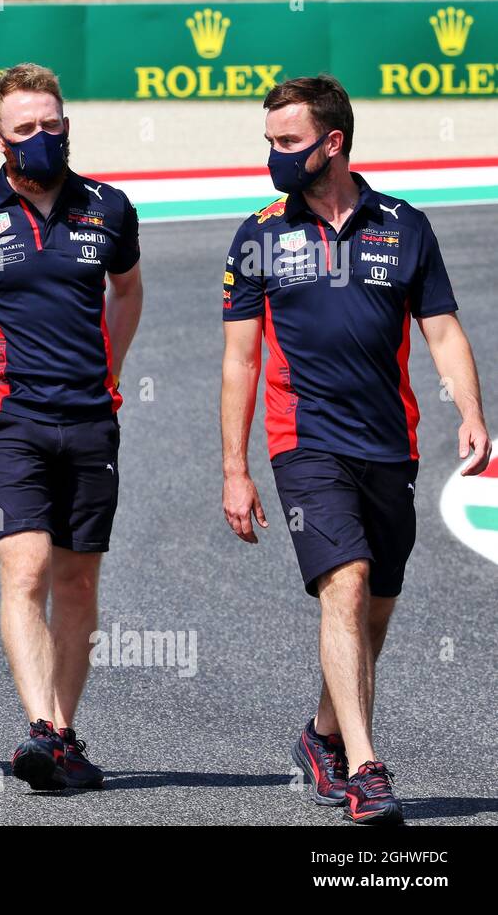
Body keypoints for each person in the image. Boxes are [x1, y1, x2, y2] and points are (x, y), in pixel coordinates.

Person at [220, 74, 490, 825]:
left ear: (331, 143)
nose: (274, 155)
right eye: (270, 141)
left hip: (388, 445)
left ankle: (323, 734)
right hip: (303, 442)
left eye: (288, 142)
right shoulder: (259, 235)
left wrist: (470, 412)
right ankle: (365, 769)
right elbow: (240, 361)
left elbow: (441, 329)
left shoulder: (404, 226)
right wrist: (236, 469)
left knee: (376, 603)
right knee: (345, 582)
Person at [0, 63, 143, 790]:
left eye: (51, 124)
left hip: (89, 417)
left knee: (78, 581)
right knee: (26, 569)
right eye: (25, 129)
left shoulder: (109, 207)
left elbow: (128, 289)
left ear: (67, 125)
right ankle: (42, 727)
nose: (41, 137)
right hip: (6, 417)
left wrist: (110, 369)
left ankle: (65, 733)